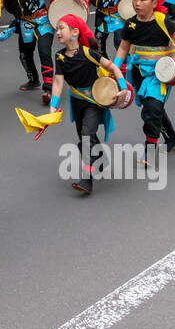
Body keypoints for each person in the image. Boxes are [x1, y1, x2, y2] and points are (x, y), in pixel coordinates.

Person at [48, 13, 130, 195]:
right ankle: (99, 156)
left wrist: (123, 87)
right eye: (56, 29)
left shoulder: (89, 53)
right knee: (83, 137)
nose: (58, 32)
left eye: (61, 28)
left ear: (75, 32)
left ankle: (87, 178)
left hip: (95, 101)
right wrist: (53, 105)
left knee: (86, 135)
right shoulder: (59, 56)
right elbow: (58, 82)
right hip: (77, 102)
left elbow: (114, 67)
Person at [114, 0, 175, 164]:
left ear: (154, 2)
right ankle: (172, 139)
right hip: (138, 73)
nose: (137, 3)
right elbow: (123, 47)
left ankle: (149, 150)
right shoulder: (131, 23)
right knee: (153, 107)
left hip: (160, 75)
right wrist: (115, 67)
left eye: (142, 0)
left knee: (151, 110)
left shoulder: (163, 22)